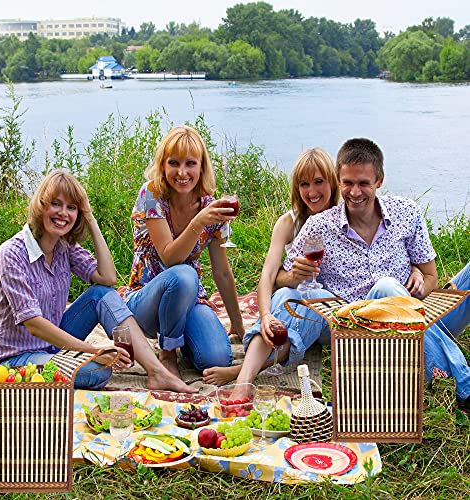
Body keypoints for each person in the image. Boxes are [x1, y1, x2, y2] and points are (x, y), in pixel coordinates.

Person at [279, 138, 470, 408]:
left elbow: (431, 278)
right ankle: (463, 387)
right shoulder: (320, 225)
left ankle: (434, 349)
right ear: (338, 179)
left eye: (364, 183)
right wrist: (295, 275)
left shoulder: (407, 213)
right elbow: (282, 277)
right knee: (386, 288)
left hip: (418, 323)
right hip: (368, 335)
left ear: (379, 180)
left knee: (400, 290)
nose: (355, 192)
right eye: (347, 183)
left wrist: (417, 286)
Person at [0, 170, 194, 393]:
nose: (63, 213)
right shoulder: (12, 253)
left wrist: (90, 218)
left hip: (52, 345)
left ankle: (157, 372)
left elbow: (108, 278)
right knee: (98, 370)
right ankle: (54, 371)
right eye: (55, 204)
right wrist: (92, 351)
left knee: (101, 294)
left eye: (72, 207)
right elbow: (34, 324)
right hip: (16, 357)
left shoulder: (63, 247)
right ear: (41, 206)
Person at [202, 147, 341, 386]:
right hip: (297, 310)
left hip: (331, 316)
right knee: (287, 295)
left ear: (333, 183)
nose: (312, 191)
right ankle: (245, 379)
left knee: (311, 295)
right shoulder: (289, 222)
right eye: (304, 184)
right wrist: (265, 314)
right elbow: (268, 276)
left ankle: (241, 371)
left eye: (319, 182)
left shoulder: (344, 218)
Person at [119, 126, 244, 379]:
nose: (182, 172)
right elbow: (169, 257)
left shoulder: (211, 208)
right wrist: (198, 222)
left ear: (202, 167)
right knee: (185, 274)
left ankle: (183, 336)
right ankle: (167, 352)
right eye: (174, 163)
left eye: (191, 163)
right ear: (163, 166)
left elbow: (221, 272)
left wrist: (238, 324)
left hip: (188, 300)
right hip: (145, 298)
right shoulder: (151, 195)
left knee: (216, 358)